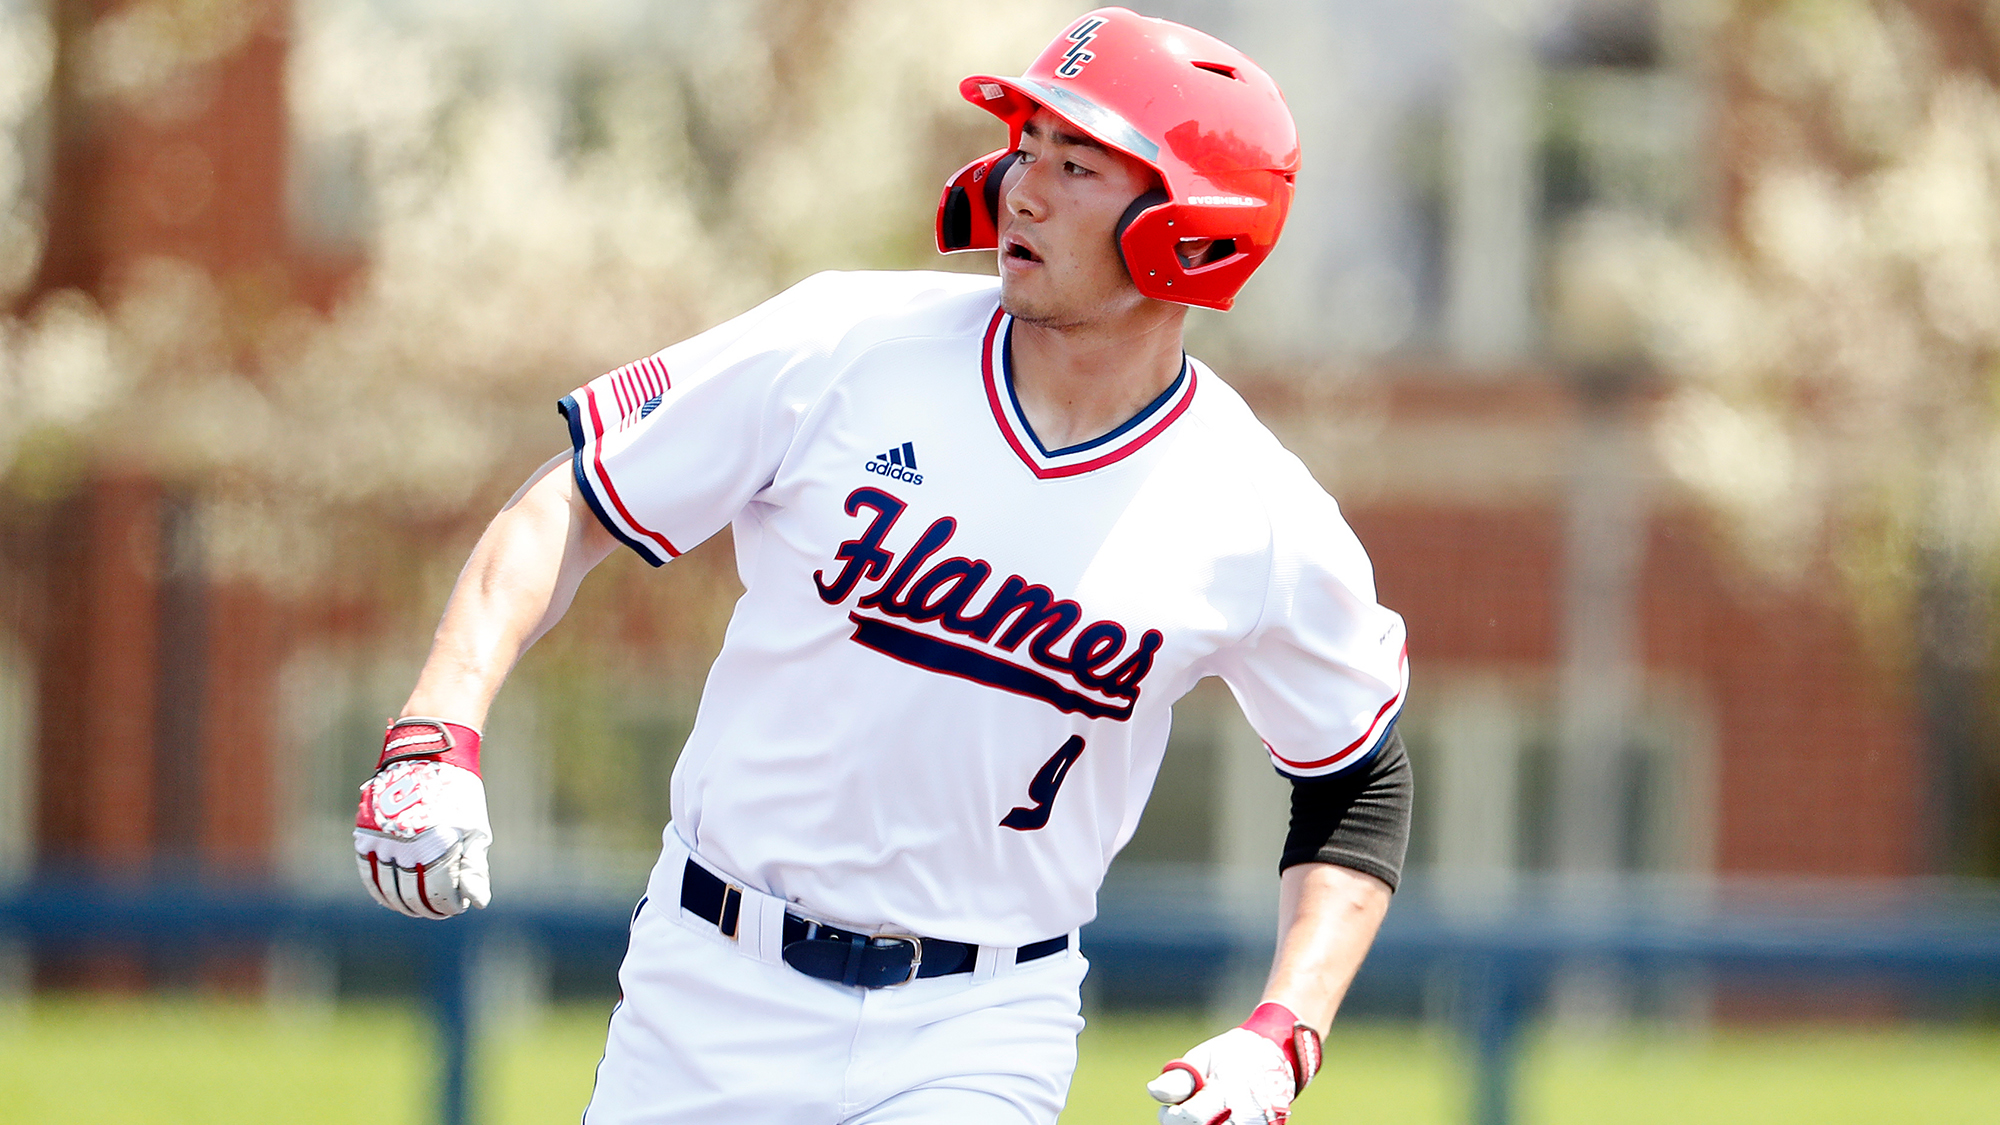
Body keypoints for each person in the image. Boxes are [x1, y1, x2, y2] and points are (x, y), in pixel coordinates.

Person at [352, 8, 1412, 1125]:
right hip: (708, 984)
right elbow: (574, 500)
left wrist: (1284, 1029)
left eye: (1078, 162)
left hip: (977, 1021)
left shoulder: (1257, 513)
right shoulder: (847, 343)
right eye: (1025, 148)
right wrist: (437, 724)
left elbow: (1354, 778)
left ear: (1193, 226)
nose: (1022, 188)